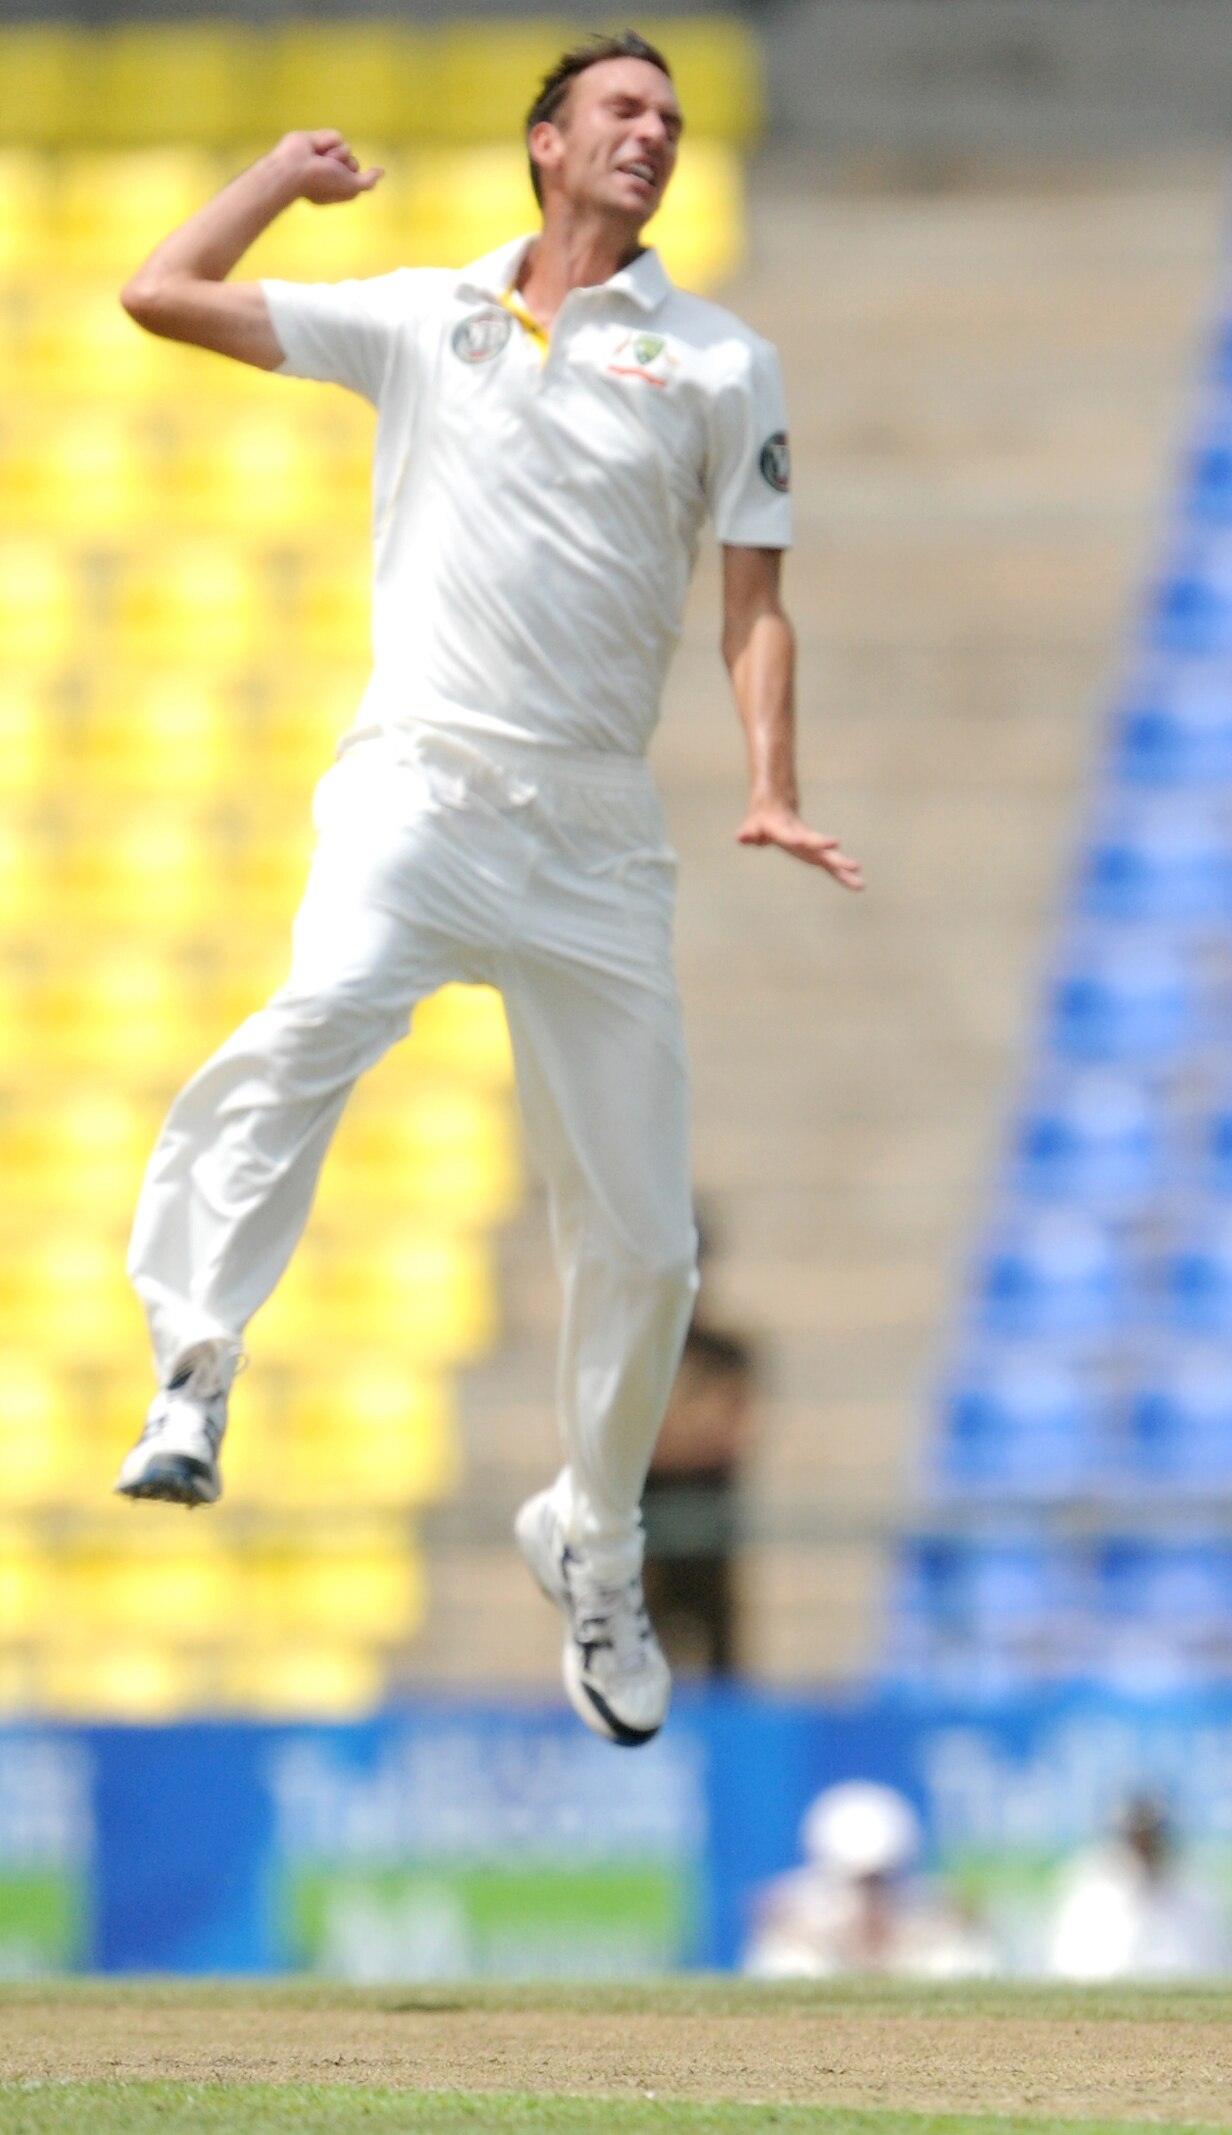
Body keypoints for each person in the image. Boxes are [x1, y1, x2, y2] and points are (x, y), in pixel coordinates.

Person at [108, 32, 862, 1750]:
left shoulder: (721, 361)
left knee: (649, 1242)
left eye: (671, 121)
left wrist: (769, 786)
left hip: (597, 838)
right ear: (545, 144)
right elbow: (162, 291)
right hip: (424, 783)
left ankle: (595, 1546)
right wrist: (279, 185)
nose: (654, 139)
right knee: (315, 1016)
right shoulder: (422, 315)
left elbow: (756, 603)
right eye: (622, 113)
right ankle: (195, 1367)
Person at [641, 1207, 757, 1676]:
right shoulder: (633, 1353)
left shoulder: (727, 1353)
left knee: (724, 1663)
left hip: (712, 1532)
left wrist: (668, 1429)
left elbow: (730, 1434)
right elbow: (634, 1441)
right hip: (646, 1535)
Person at [744, 1781, 995, 1978]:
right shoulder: (802, 1900)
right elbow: (763, 1907)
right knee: (784, 1958)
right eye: (860, 1881)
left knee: (959, 1955)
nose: (870, 1892)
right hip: (832, 1972)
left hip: (909, 1975)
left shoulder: (923, 1901)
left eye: (880, 1879)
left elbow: (971, 1911)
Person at [1044, 1793, 1232, 1980]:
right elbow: (1074, 1969)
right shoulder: (1090, 1893)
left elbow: (1208, 1967)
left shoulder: (1199, 1894)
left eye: (1151, 1837)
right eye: (1137, 1837)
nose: (1145, 1847)